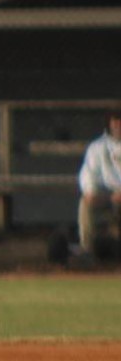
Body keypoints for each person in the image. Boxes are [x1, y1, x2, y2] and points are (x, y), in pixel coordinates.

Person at [76, 106, 121, 257]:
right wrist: (90, 192)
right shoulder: (97, 147)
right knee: (85, 203)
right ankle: (87, 250)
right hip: (105, 195)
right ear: (109, 124)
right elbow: (89, 172)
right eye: (115, 122)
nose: (118, 126)